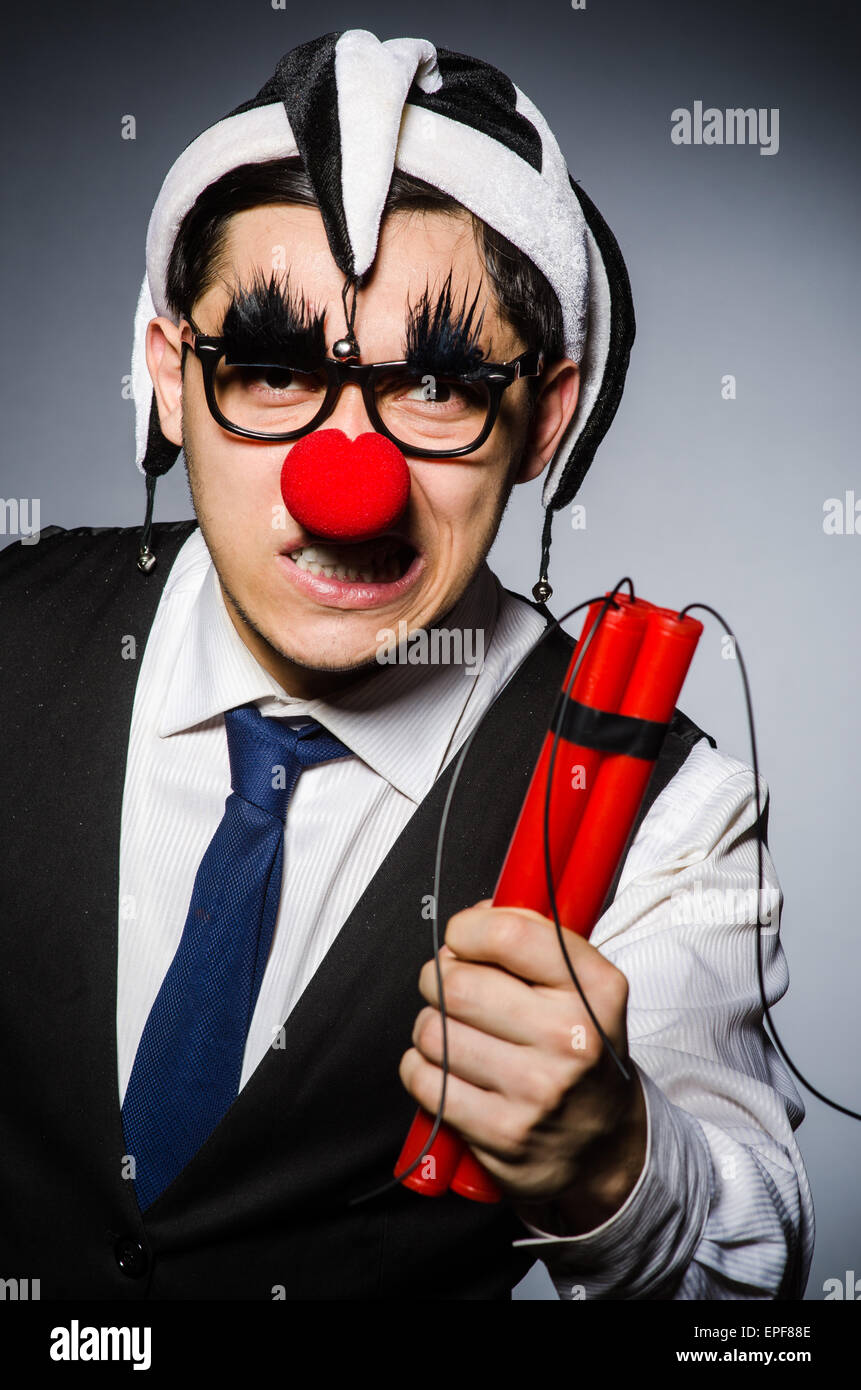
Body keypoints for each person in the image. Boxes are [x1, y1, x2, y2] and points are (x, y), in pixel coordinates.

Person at [0, 28, 812, 1300]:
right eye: (268, 369)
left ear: (547, 418)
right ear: (168, 376)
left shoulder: (670, 815)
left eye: (436, 386)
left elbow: (753, 1298)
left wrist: (618, 1167)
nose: (346, 484)